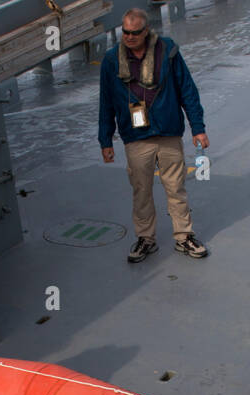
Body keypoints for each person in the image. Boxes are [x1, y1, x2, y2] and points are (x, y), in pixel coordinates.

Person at [98, 7, 210, 263]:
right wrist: (105, 139)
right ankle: (145, 239)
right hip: (136, 138)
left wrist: (198, 128)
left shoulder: (168, 51)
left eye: (134, 33)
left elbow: (187, 91)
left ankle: (184, 236)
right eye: (125, 32)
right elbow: (106, 103)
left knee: (176, 188)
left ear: (146, 31)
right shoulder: (111, 60)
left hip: (168, 132)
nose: (129, 37)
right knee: (141, 192)